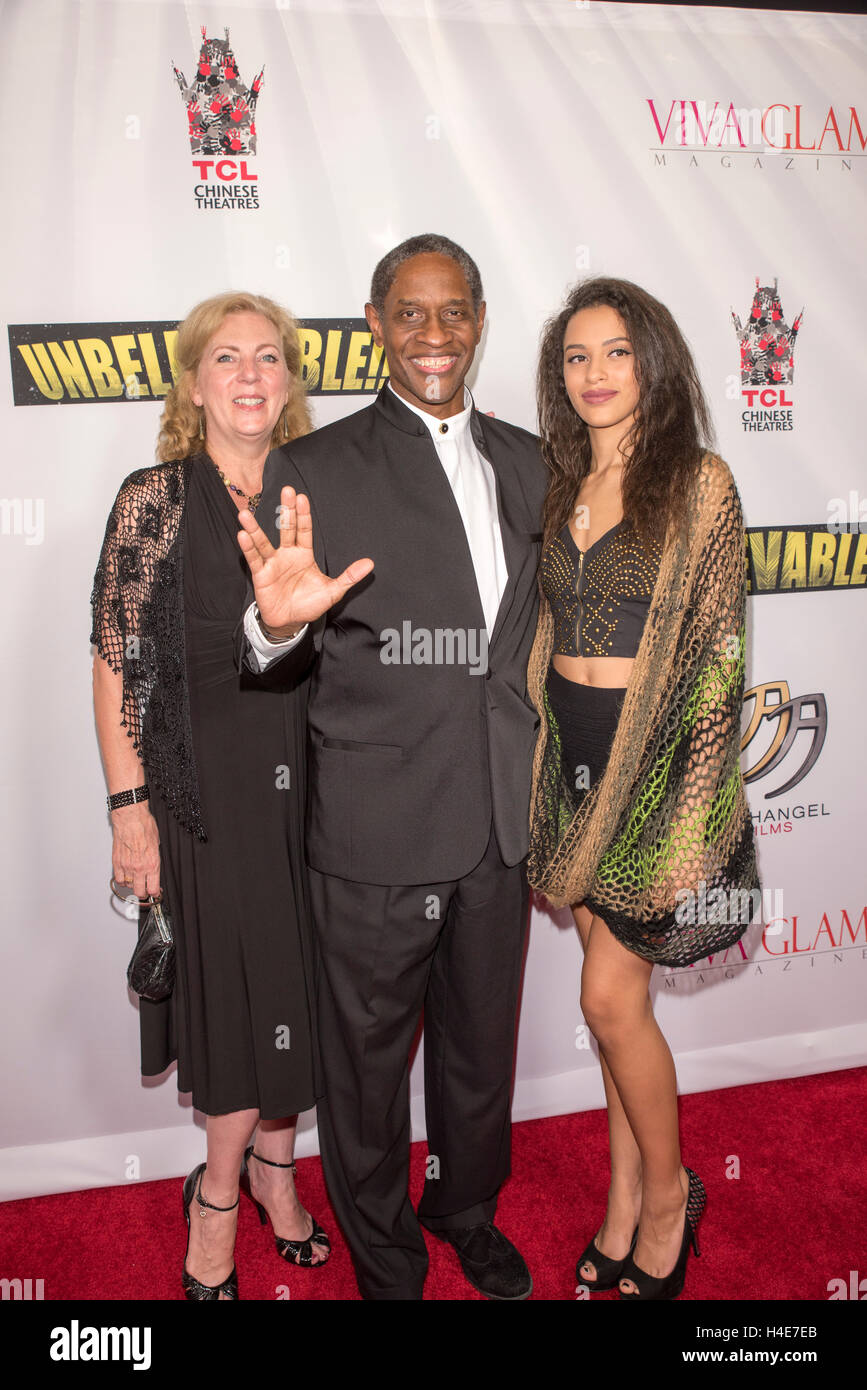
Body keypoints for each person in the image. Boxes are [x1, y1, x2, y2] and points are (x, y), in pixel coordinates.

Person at [235, 234, 547, 1300]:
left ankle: (464, 1206)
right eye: (409, 313)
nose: (433, 334)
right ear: (374, 323)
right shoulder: (315, 467)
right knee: (365, 1070)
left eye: (453, 311)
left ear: (479, 321)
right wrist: (273, 628)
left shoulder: (529, 460)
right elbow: (275, 636)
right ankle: (386, 1259)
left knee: (478, 1051)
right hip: (377, 823)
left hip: (500, 818)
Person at [91, 291, 330, 1301]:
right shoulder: (157, 498)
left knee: (298, 994)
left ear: (290, 381)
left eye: (268, 357)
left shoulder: (316, 490)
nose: (248, 375)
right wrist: (128, 804)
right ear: (195, 383)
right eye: (226, 358)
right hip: (206, 795)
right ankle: (219, 1198)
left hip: (318, 787)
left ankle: (277, 1171)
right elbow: (114, 663)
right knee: (239, 1002)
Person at [527, 276, 759, 1300]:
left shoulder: (700, 483)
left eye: (616, 351)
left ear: (652, 361)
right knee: (627, 1018)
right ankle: (623, 1199)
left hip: (659, 773)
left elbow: (717, 661)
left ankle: (669, 1197)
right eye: (577, 356)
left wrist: (688, 828)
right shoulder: (559, 479)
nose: (595, 373)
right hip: (572, 766)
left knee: (607, 998)